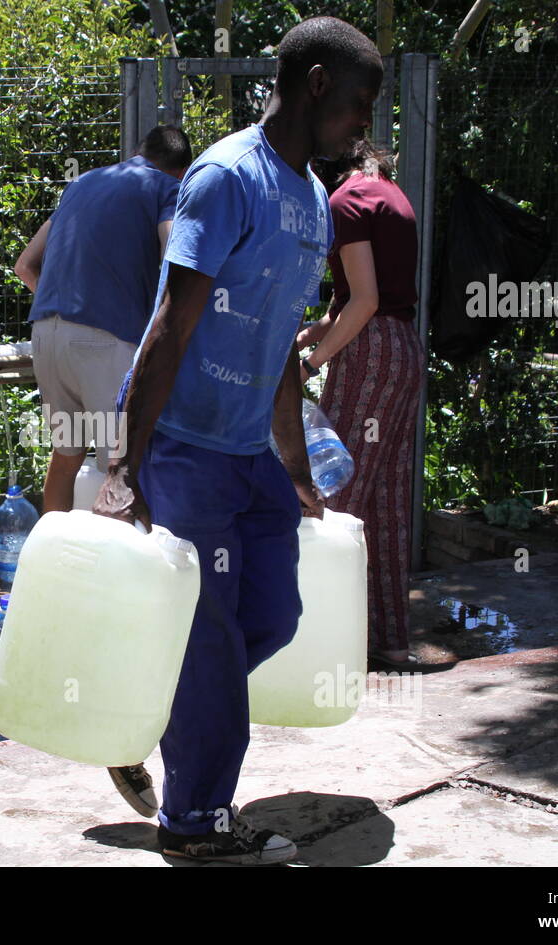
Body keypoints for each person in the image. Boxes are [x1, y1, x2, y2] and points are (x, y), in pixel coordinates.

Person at [94, 16, 382, 864]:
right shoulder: (226, 177)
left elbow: (279, 349)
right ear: (318, 83)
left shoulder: (310, 203)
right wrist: (126, 460)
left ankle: (138, 709)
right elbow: (171, 326)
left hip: (248, 450)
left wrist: (293, 466)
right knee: (212, 637)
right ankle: (195, 822)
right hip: (182, 444)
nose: (366, 124)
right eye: (361, 103)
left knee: (275, 616)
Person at [14, 125, 191, 513]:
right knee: (122, 469)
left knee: (65, 456)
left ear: (139, 152)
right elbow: (173, 258)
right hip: (105, 341)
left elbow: (25, 265)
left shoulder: (81, 185)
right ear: (179, 170)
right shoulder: (167, 188)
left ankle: (55, 564)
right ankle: (116, 572)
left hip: (46, 335)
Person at [297, 138, 423, 668]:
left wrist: (312, 362)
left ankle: (322, 643)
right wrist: (304, 338)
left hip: (369, 354)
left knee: (333, 492)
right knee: (387, 503)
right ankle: (390, 641)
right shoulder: (388, 193)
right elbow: (354, 301)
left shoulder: (345, 202)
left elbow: (364, 303)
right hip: (405, 349)